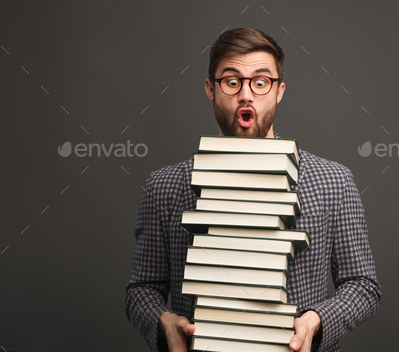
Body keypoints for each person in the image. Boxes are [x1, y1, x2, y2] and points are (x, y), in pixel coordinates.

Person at [125, 28, 381, 352]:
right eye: (232, 81)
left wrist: (315, 320)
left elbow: (362, 285)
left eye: (260, 82)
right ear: (210, 89)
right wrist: (164, 323)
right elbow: (142, 289)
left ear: (279, 91)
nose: (246, 95)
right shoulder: (164, 188)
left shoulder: (334, 182)